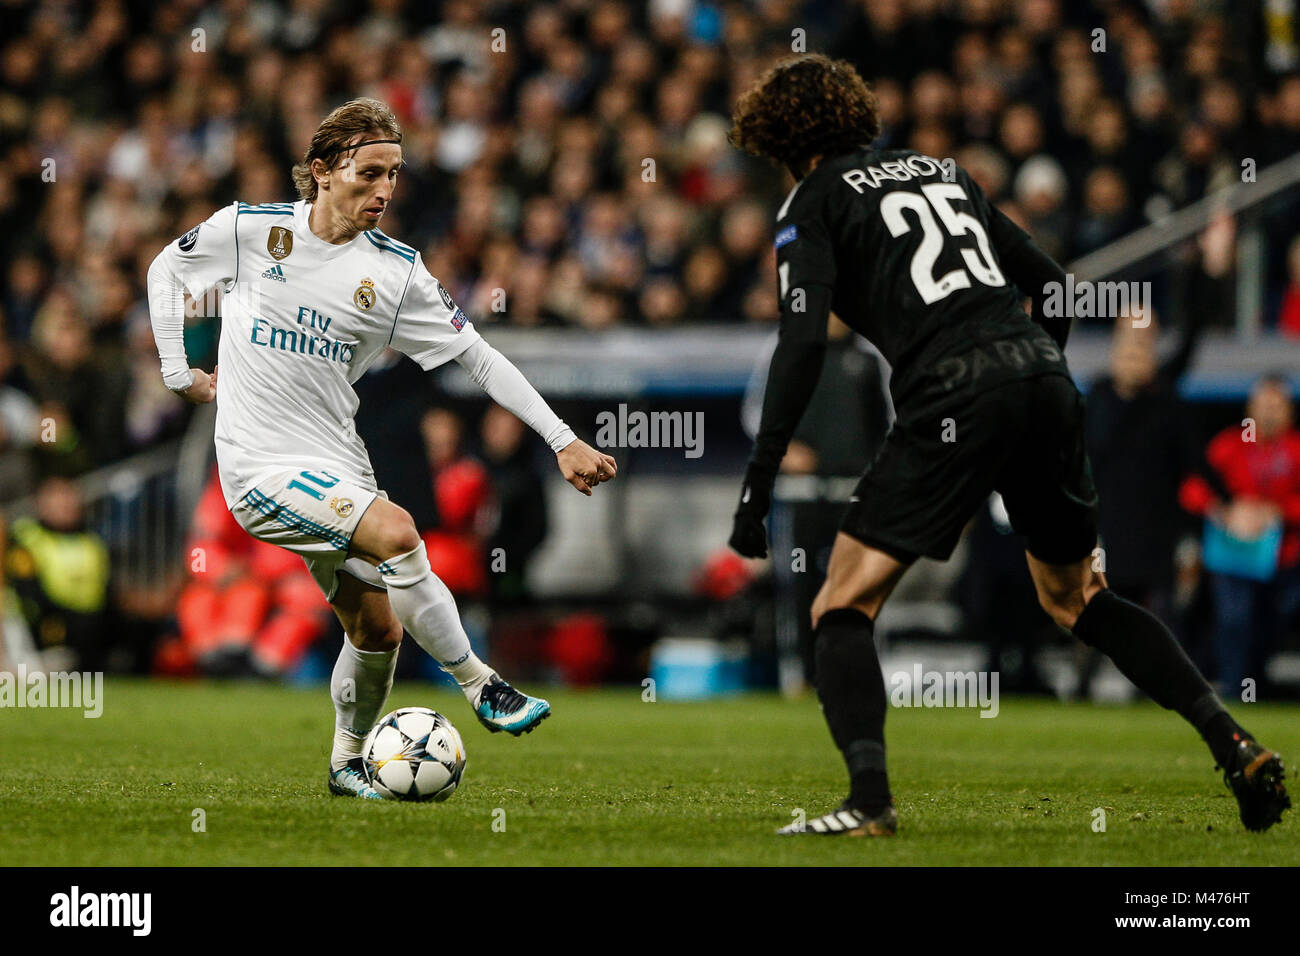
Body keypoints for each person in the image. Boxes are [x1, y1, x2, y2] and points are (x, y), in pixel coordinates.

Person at [726, 55, 1288, 836]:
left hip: (951, 389)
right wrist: (1034, 373)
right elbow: (1054, 284)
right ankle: (1235, 744)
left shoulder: (810, 202)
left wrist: (757, 484)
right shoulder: (943, 173)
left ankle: (868, 803)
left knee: (840, 605)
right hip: (1042, 376)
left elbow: (800, 347)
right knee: (1077, 598)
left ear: (777, 136)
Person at [147, 98, 617, 800]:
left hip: (336, 463)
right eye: (370, 173)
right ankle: (482, 686)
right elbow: (166, 270)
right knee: (399, 532)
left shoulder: (396, 275)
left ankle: (345, 764)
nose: (385, 190)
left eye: (394, 174)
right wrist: (177, 370)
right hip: (257, 468)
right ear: (323, 171)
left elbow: (480, 358)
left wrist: (562, 438)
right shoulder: (250, 231)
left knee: (377, 631)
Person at [1178, 375, 1300, 693]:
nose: (1270, 413)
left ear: (1290, 411)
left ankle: (1259, 685)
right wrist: (1228, 510)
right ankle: (1236, 691)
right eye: (1263, 405)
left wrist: (1276, 511)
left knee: (1272, 623)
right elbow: (1192, 490)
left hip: (1286, 559)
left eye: (1277, 406)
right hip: (1234, 558)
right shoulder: (1231, 443)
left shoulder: (1295, 448)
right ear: (1250, 409)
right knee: (1234, 620)